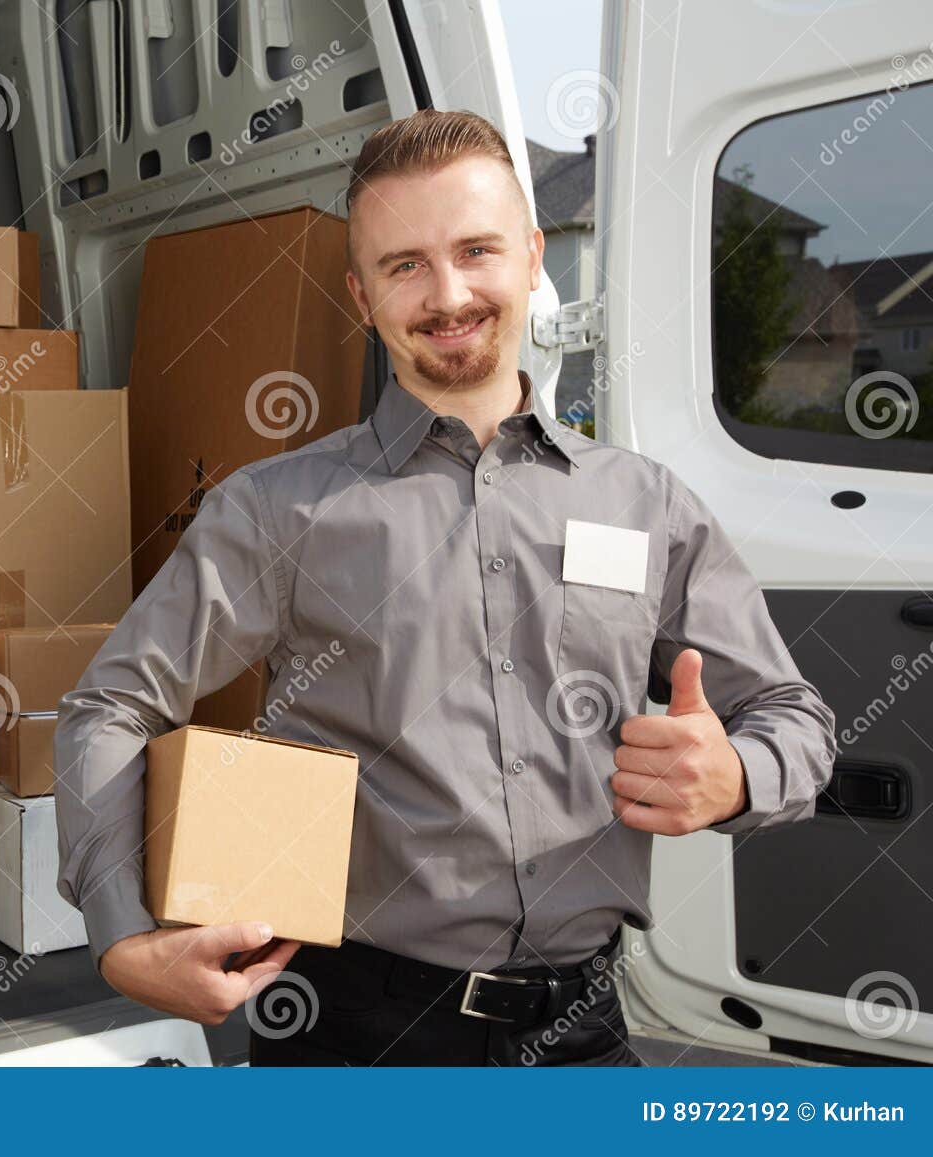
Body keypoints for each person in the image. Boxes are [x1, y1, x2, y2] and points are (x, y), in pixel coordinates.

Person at [52, 109, 837, 1066]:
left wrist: (738, 775)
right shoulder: (279, 510)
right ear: (360, 294)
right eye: (405, 264)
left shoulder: (648, 505)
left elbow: (794, 715)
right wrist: (122, 933)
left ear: (536, 255)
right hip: (358, 1034)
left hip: (584, 1033)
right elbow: (111, 704)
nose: (449, 292)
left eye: (476, 250)